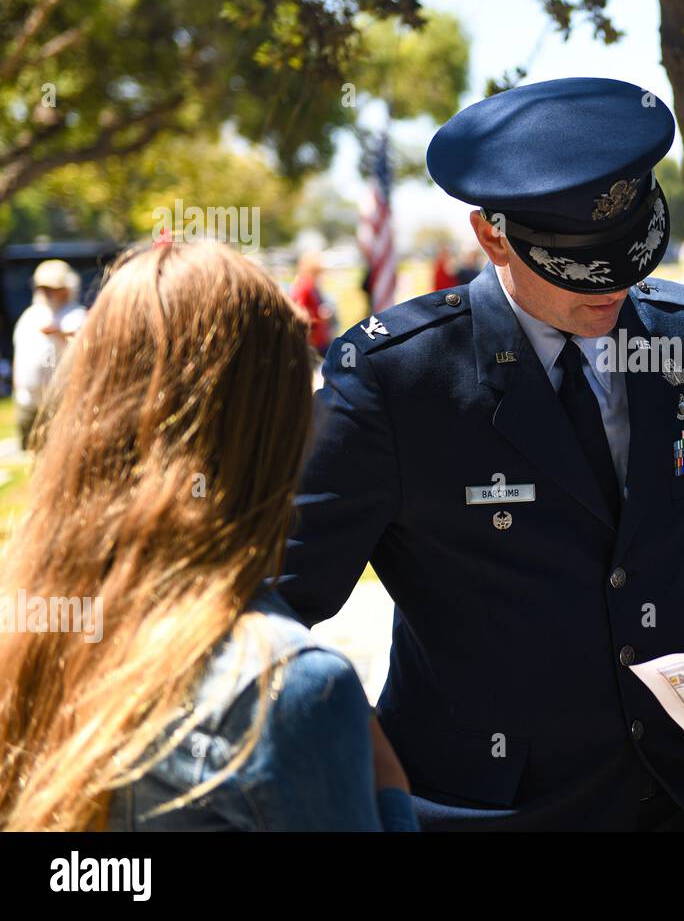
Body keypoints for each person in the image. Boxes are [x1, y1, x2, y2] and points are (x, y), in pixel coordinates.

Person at [276, 77, 684, 831]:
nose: (615, 289)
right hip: (489, 809)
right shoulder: (397, 381)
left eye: (632, 257)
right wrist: (357, 768)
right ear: (492, 234)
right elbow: (274, 606)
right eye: (582, 266)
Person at [0, 241, 415, 832]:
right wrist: (390, 790)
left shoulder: (33, 621)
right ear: (273, 427)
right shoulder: (292, 686)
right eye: (308, 392)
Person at [11, 259, 86, 450]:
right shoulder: (30, 315)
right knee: (31, 454)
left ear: (66, 288)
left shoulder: (77, 314)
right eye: (42, 287)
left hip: (61, 401)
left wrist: (60, 334)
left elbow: (84, 345)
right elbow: (19, 354)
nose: (45, 292)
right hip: (28, 399)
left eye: (51, 288)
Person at [288, 251, 336, 359]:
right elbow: (300, 312)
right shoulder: (305, 286)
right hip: (313, 340)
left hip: (319, 338)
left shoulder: (312, 287)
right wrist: (319, 316)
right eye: (318, 272)